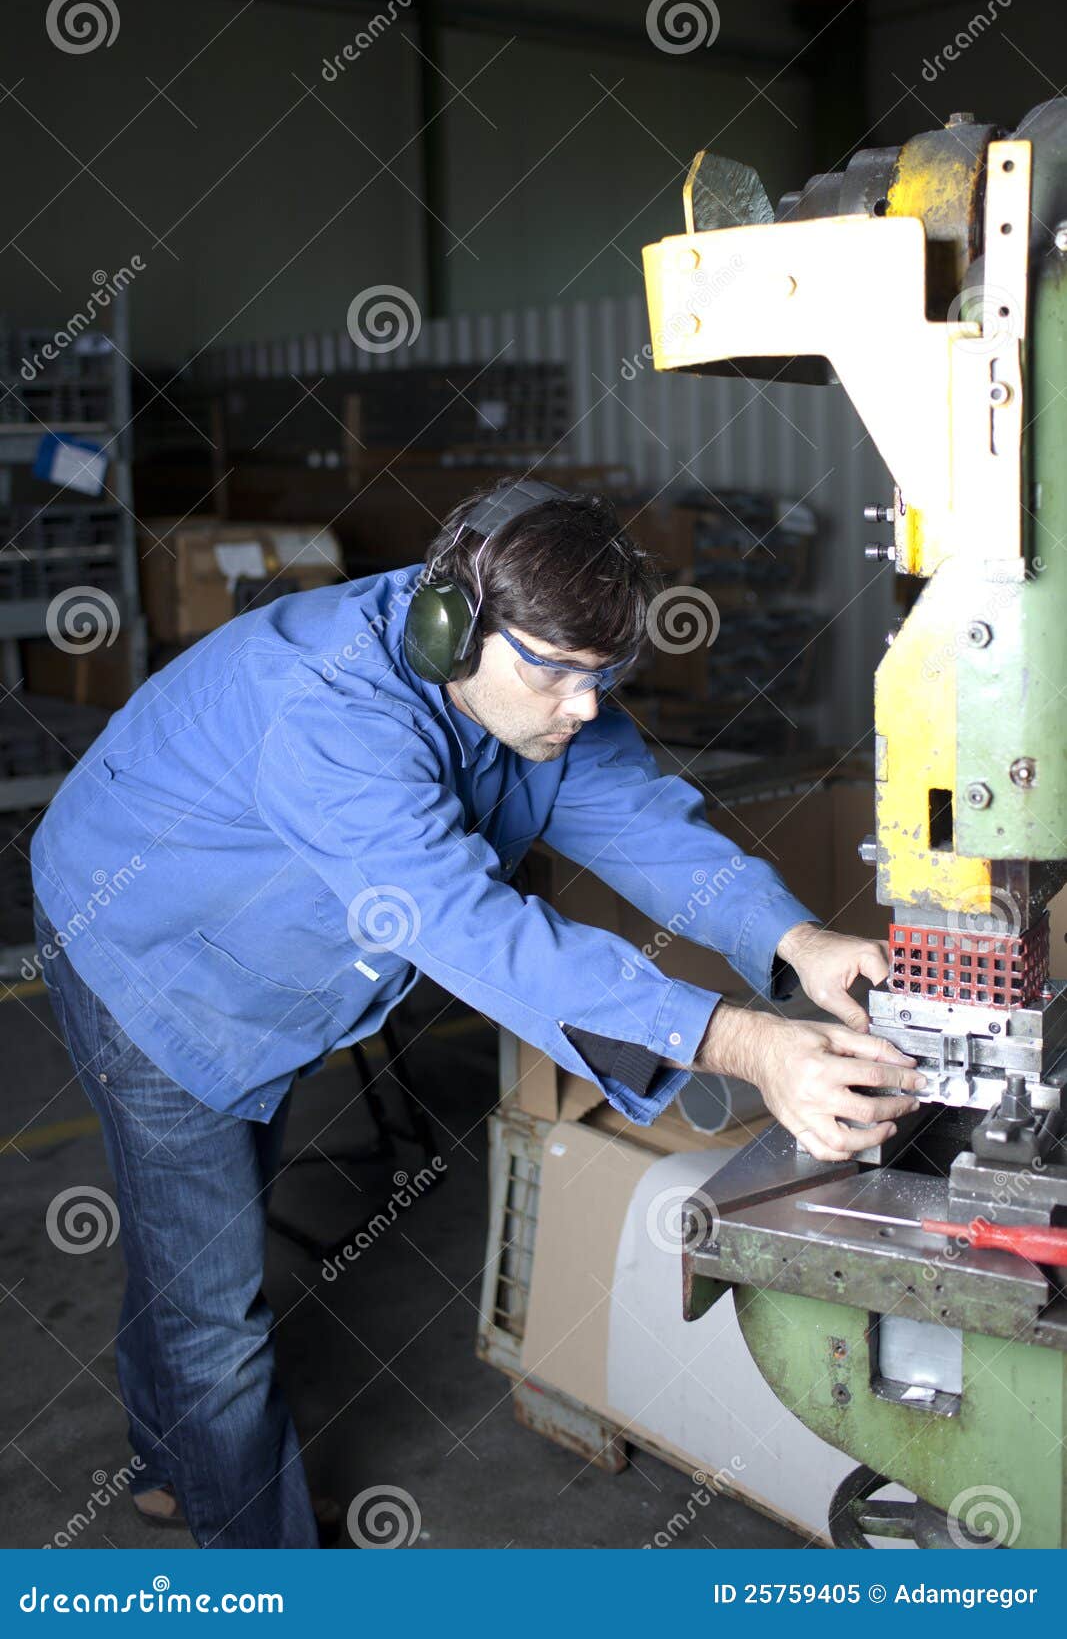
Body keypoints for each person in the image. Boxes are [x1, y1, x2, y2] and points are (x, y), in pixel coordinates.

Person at [30, 476, 920, 1548]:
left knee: (188, 1244)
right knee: (215, 1314)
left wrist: (794, 940)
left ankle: (170, 1464)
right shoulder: (329, 711)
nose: (585, 708)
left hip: (270, 964)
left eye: (607, 676)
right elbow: (476, 934)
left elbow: (644, 823)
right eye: (556, 677)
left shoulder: (538, 680)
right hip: (155, 959)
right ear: (452, 628)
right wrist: (744, 1043)